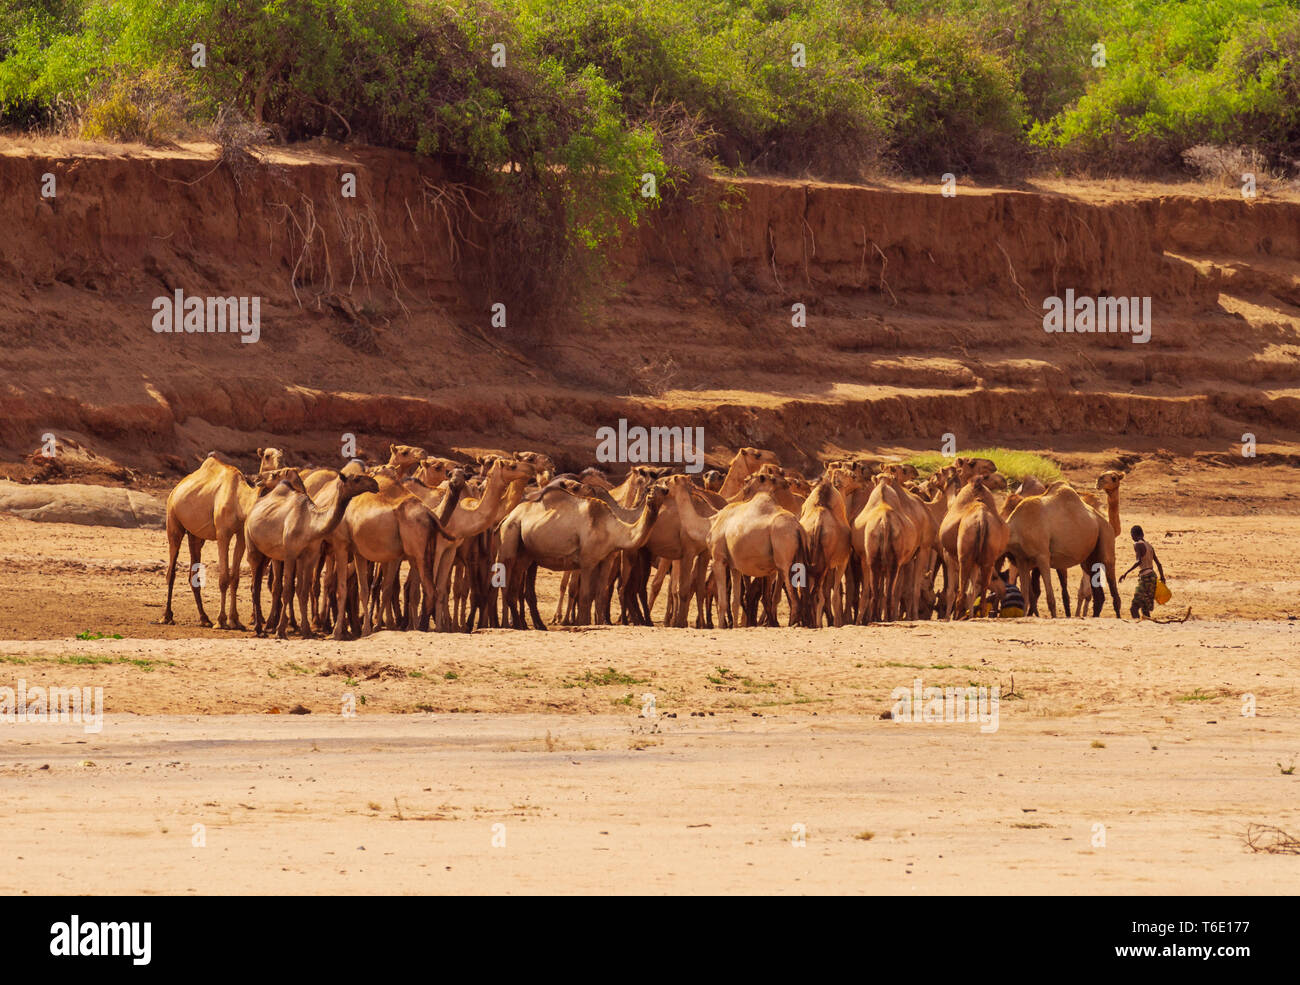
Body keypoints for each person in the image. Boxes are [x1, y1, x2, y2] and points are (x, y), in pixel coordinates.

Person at [1119, 524, 1165, 620]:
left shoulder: (1137, 545)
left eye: (1132, 535)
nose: (1132, 538)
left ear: (1134, 534)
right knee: (1145, 607)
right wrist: (1162, 577)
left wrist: (1126, 573)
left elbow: (1138, 561)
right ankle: (1148, 626)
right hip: (1153, 576)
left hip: (1145, 578)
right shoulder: (1149, 546)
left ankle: (1136, 626)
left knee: (1134, 608)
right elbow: (1159, 564)